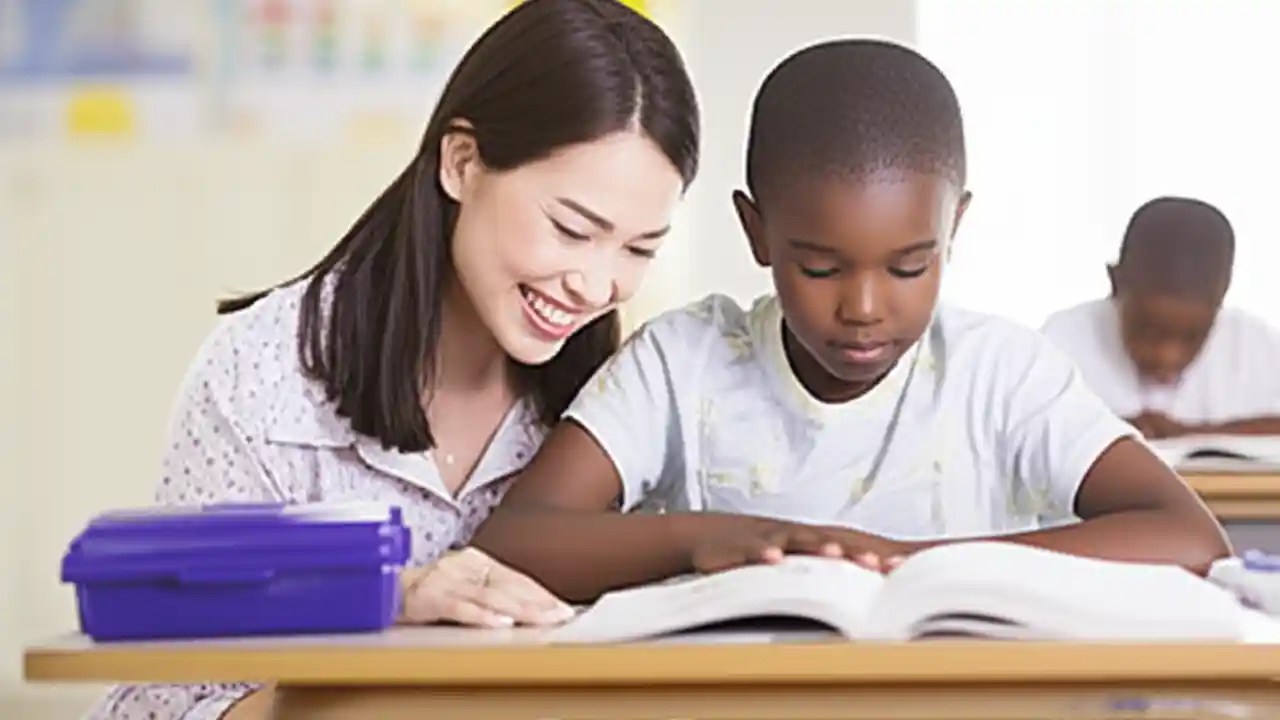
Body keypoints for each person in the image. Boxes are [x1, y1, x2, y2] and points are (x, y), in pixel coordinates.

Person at [88, 0, 699, 717]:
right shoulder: (264, 377)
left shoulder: (620, 404)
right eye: (570, 229)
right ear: (461, 162)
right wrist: (378, 613)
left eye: (638, 249)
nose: (598, 287)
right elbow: (154, 697)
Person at [470, 39, 1229, 604]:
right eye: (821, 267)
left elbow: (1189, 537)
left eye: (908, 267)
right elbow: (516, 538)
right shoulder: (685, 360)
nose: (864, 308)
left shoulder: (999, 371)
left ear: (953, 230)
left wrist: (914, 559)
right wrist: (716, 537)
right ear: (756, 232)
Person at [1042, 197, 1280, 439]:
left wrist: (1190, 434)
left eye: (1193, 337)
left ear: (1222, 296)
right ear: (1116, 283)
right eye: (1147, 332)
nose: (1166, 357)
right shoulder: (1061, 341)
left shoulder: (1256, 346)